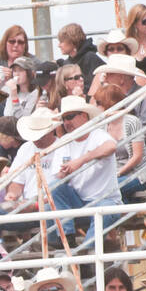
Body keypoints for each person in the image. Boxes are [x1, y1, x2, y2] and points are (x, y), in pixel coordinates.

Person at [50, 96, 123, 247]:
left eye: (70, 117)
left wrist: (81, 160)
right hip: (80, 201)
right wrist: (64, 173)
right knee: (54, 187)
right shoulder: (65, 141)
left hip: (106, 200)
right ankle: (67, 239)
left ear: (84, 116)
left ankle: (84, 254)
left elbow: (111, 146)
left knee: (105, 212)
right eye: (64, 119)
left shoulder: (97, 135)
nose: (66, 123)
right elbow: (57, 177)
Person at [0, 25, 33, 91]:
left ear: (25, 45)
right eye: (12, 41)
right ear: (5, 43)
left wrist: (13, 77)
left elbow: (37, 89)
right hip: (0, 99)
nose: (16, 45)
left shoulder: (33, 62)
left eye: (20, 42)